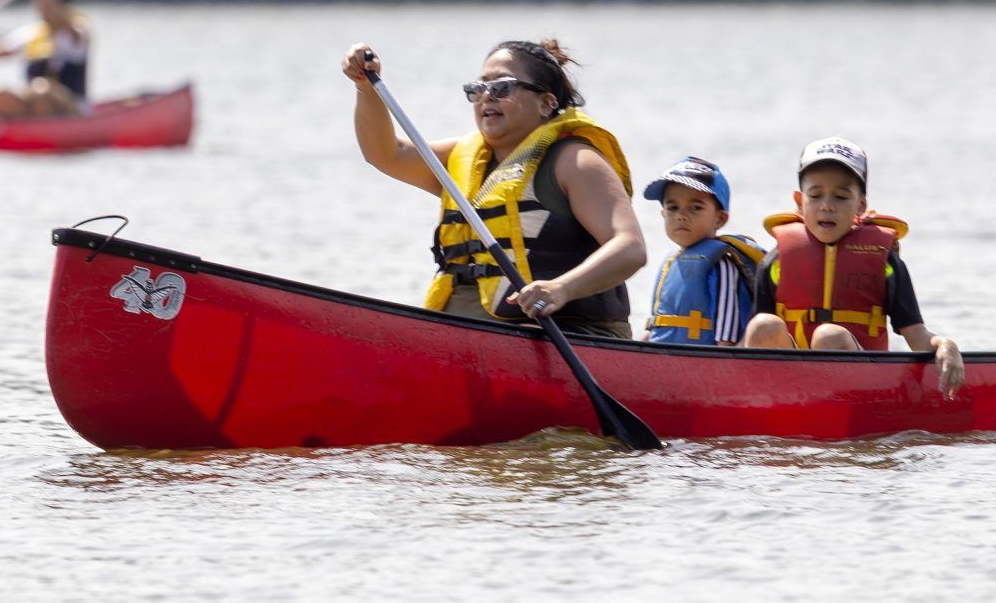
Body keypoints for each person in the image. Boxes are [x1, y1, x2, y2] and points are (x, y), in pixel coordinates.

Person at [343, 38, 646, 338]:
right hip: (466, 333)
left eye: (502, 87)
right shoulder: (461, 158)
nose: (487, 96)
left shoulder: (576, 161)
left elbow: (630, 247)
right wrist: (365, 87)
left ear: (546, 102)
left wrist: (561, 289)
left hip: (563, 334)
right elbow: (385, 154)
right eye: (478, 89)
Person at [741, 138, 964, 397]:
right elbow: (752, 341)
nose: (827, 205)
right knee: (762, 325)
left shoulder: (886, 264)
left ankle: (834, 416)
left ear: (860, 205)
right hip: (787, 387)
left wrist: (946, 346)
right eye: (816, 195)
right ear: (800, 201)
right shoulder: (776, 261)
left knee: (828, 336)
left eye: (841, 196)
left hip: (861, 387)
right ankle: (764, 408)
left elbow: (918, 337)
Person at [641, 155, 767, 347]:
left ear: (720, 219)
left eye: (695, 207)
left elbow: (727, 333)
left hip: (707, 361)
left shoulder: (722, 263)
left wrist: (721, 364)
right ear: (663, 214)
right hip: (667, 359)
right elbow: (656, 323)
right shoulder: (671, 262)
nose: (681, 216)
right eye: (673, 208)